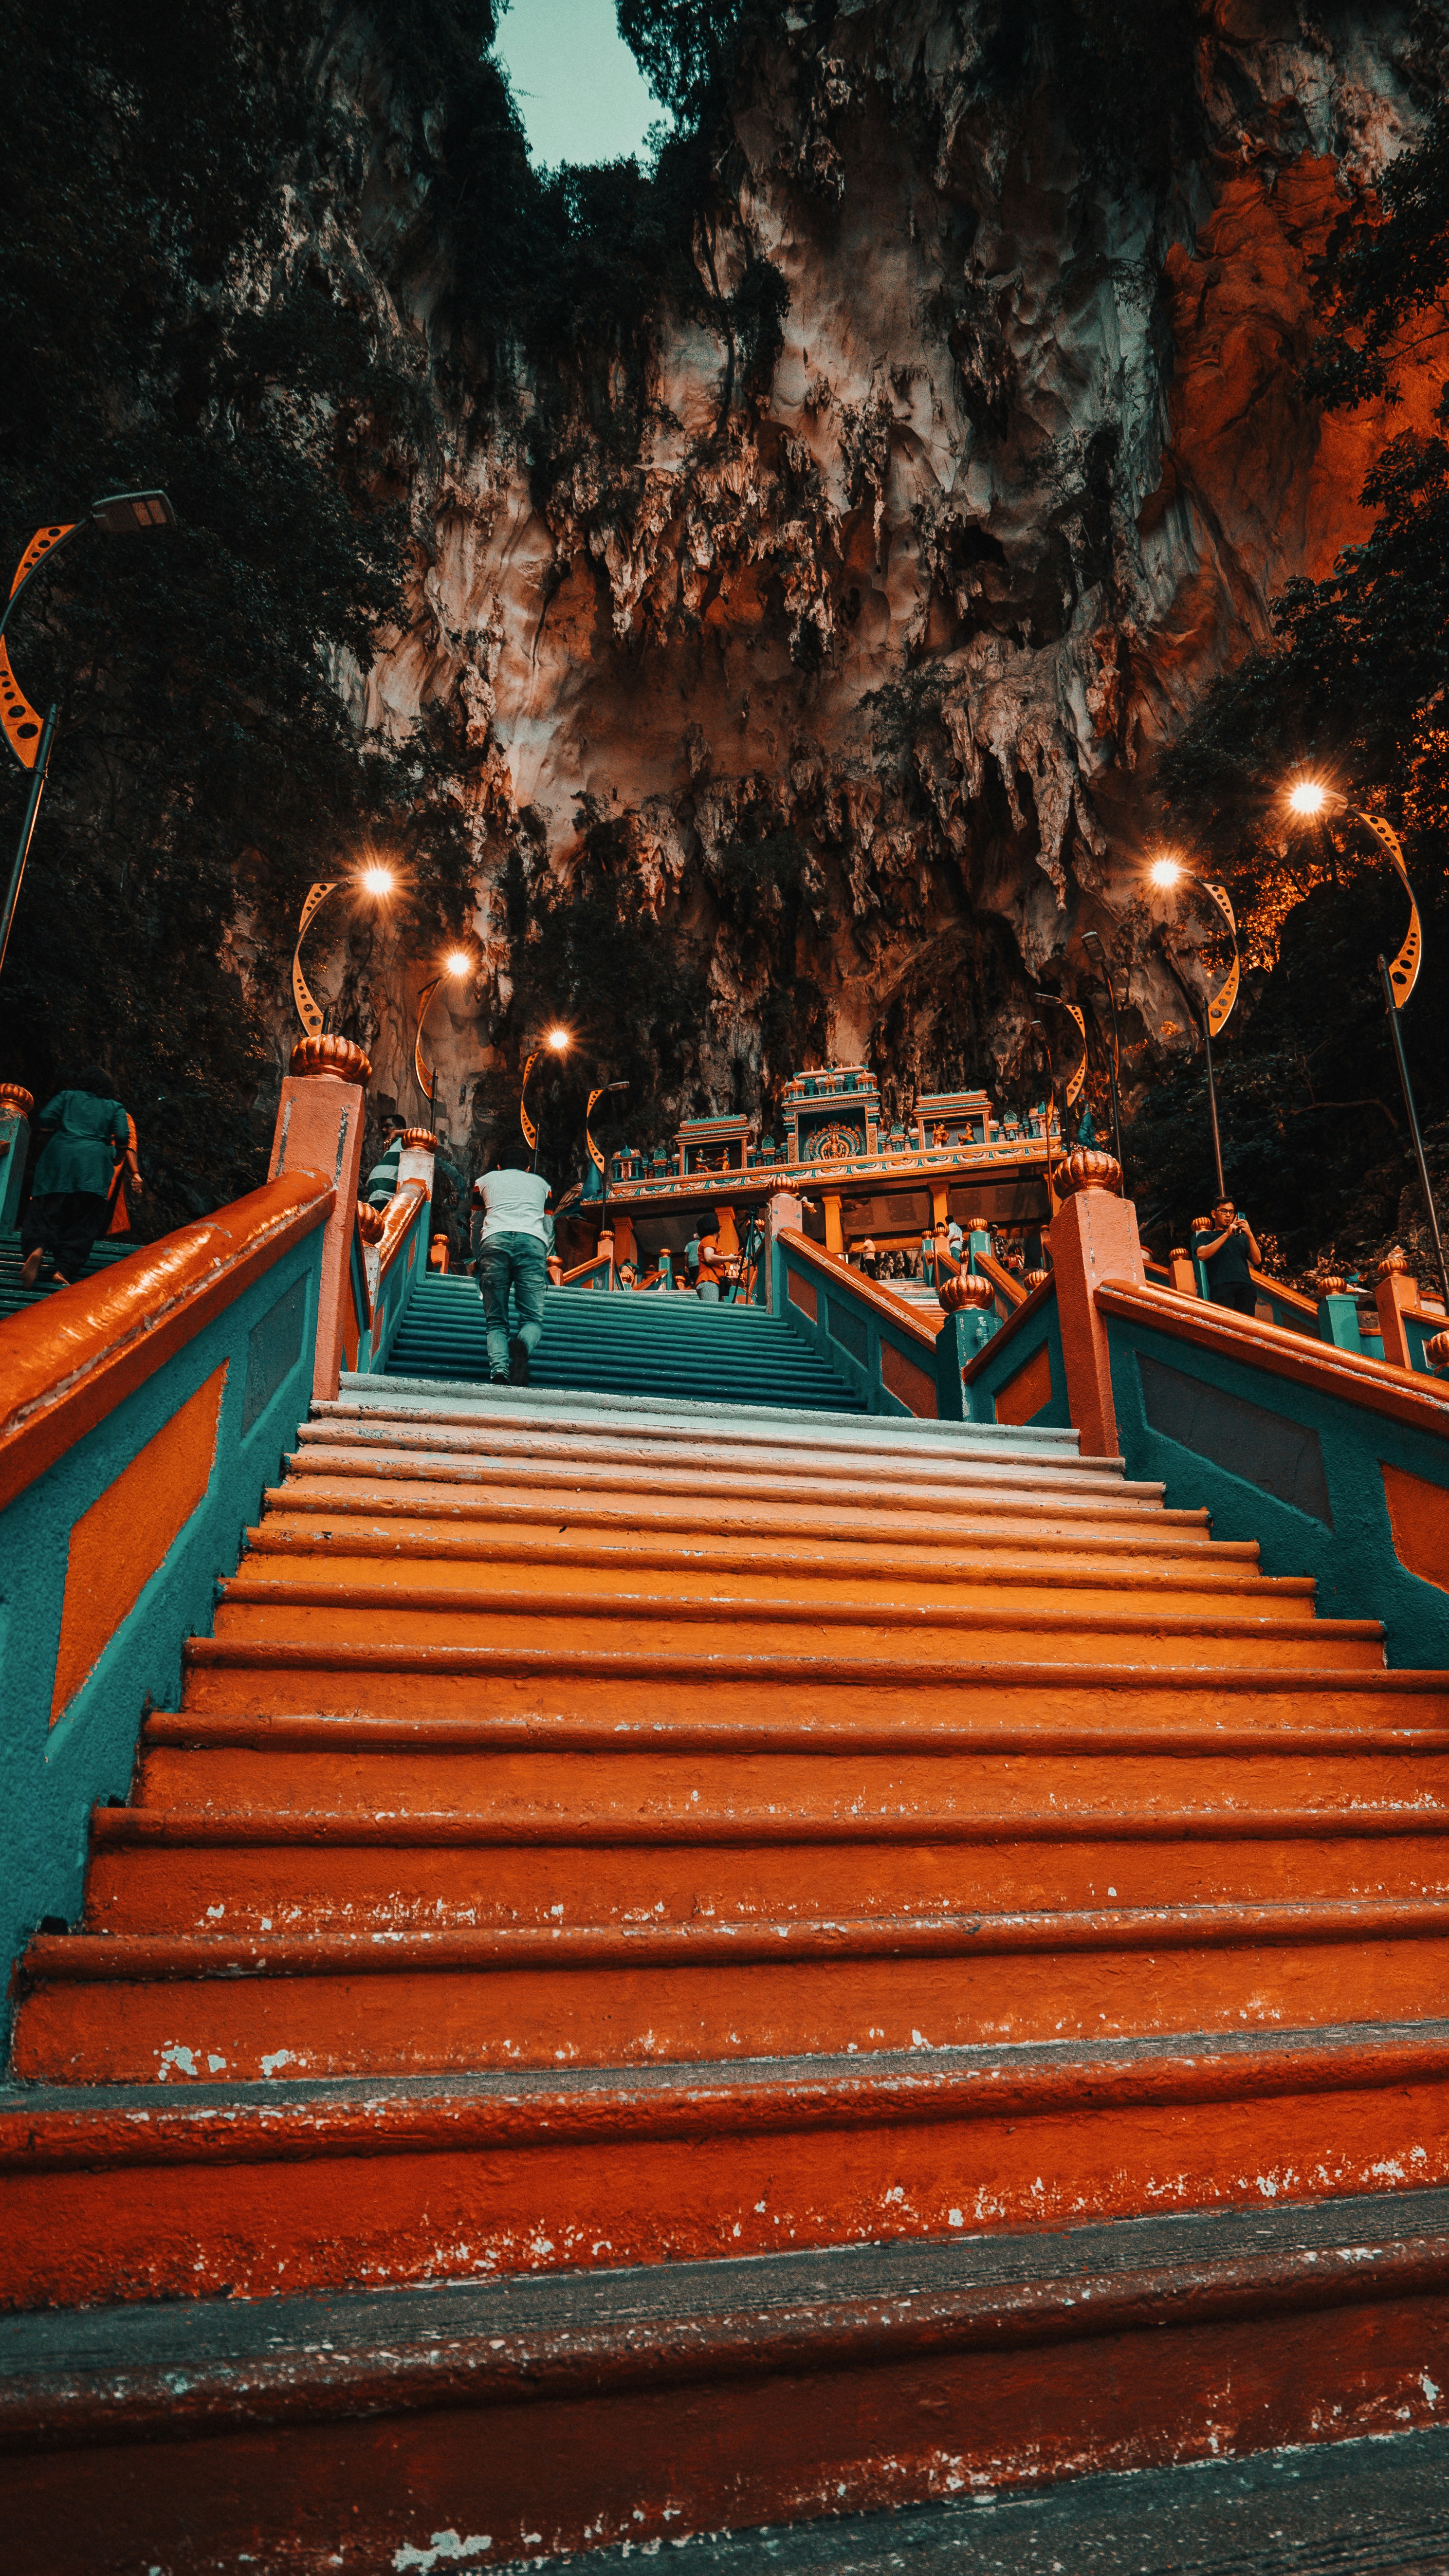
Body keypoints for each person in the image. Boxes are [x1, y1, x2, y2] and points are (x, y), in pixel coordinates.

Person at [21, 1069, 136, 1289]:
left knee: (47, 1209)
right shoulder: (114, 1107)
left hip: (59, 1161)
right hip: (94, 1167)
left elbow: (45, 1118)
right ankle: (64, 1269)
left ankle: (37, 1248)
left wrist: (51, 1130)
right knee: (85, 1219)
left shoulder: (67, 1096)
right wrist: (118, 1155)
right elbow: (123, 1136)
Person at [472, 1141, 555, 1385]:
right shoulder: (543, 1185)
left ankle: (499, 1371)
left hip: (494, 1241)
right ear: (528, 1168)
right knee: (532, 1319)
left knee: (496, 1320)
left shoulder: (484, 1181)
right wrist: (544, 1253)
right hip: (532, 1244)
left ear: (499, 1166)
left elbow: (477, 1221)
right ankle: (522, 1346)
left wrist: (478, 1253)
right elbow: (549, 1225)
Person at [1193, 1198, 1262, 1316]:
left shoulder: (1242, 1238)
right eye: (1224, 1211)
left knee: (1247, 1327)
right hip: (1222, 1286)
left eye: (1231, 1212)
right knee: (1227, 1326)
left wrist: (1249, 1234)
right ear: (1214, 1214)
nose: (1228, 1215)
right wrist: (1227, 1234)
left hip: (1246, 1286)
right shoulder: (1207, 1235)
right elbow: (1201, 1254)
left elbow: (1257, 1260)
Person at [365, 1116, 409, 1209]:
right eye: (382, 1128)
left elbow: (422, 1133)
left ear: (400, 1129)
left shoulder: (404, 1142)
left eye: (388, 1126)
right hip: (376, 1197)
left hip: (387, 1197)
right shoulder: (391, 1147)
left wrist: (395, 1133)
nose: (384, 1130)